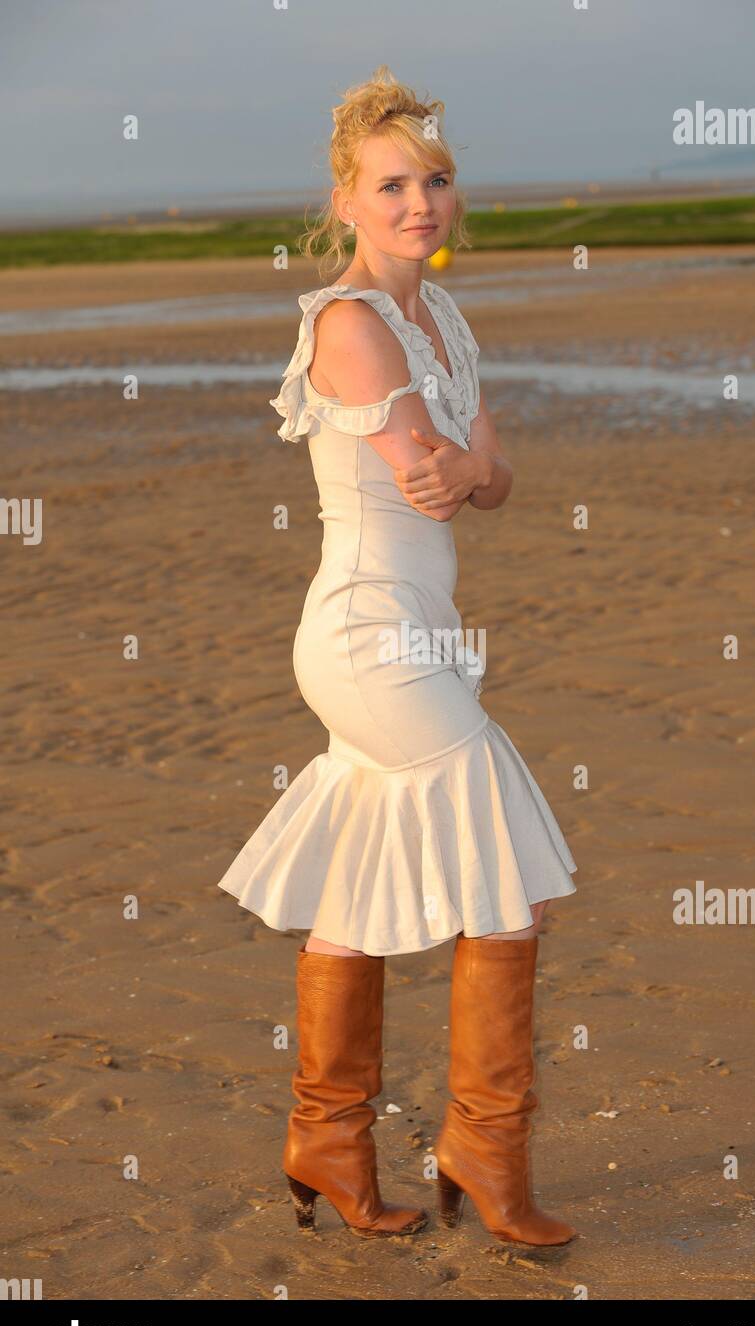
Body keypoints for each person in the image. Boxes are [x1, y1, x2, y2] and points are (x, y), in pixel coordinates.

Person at [218, 66, 578, 1246]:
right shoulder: (352, 322)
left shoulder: (445, 320)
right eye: (392, 184)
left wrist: (473, 472)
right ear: (347, 201)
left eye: (434, 180)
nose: (419, 201)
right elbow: (434, 476)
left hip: (425, 636)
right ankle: (483, 1147)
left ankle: (327, 1145)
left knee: (361, 891)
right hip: (366, 637)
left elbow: (492, 474)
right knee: (510, 879)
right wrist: (471, 472)